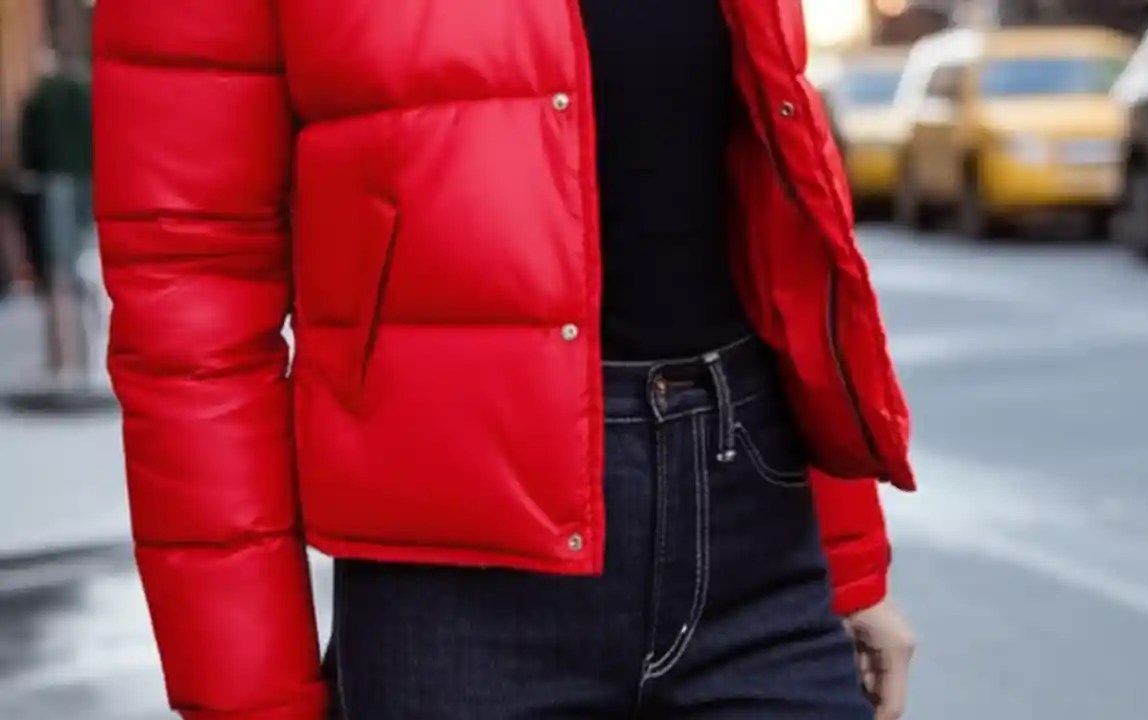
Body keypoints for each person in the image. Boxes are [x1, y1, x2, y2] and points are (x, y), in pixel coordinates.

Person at [94, 2, 917, 719]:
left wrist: (847, 553)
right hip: (455, 587)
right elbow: (190, 311)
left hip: (753, 539)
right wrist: (249, 700)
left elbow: (768, 203)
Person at [19, 50, 93, 388]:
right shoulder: (85, 93)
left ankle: (63, 360)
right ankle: (83, 355)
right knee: (80, 272)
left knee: (59, 277)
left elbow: (29, 153)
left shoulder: (40, 98)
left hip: (53, 189)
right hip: (88, 187)